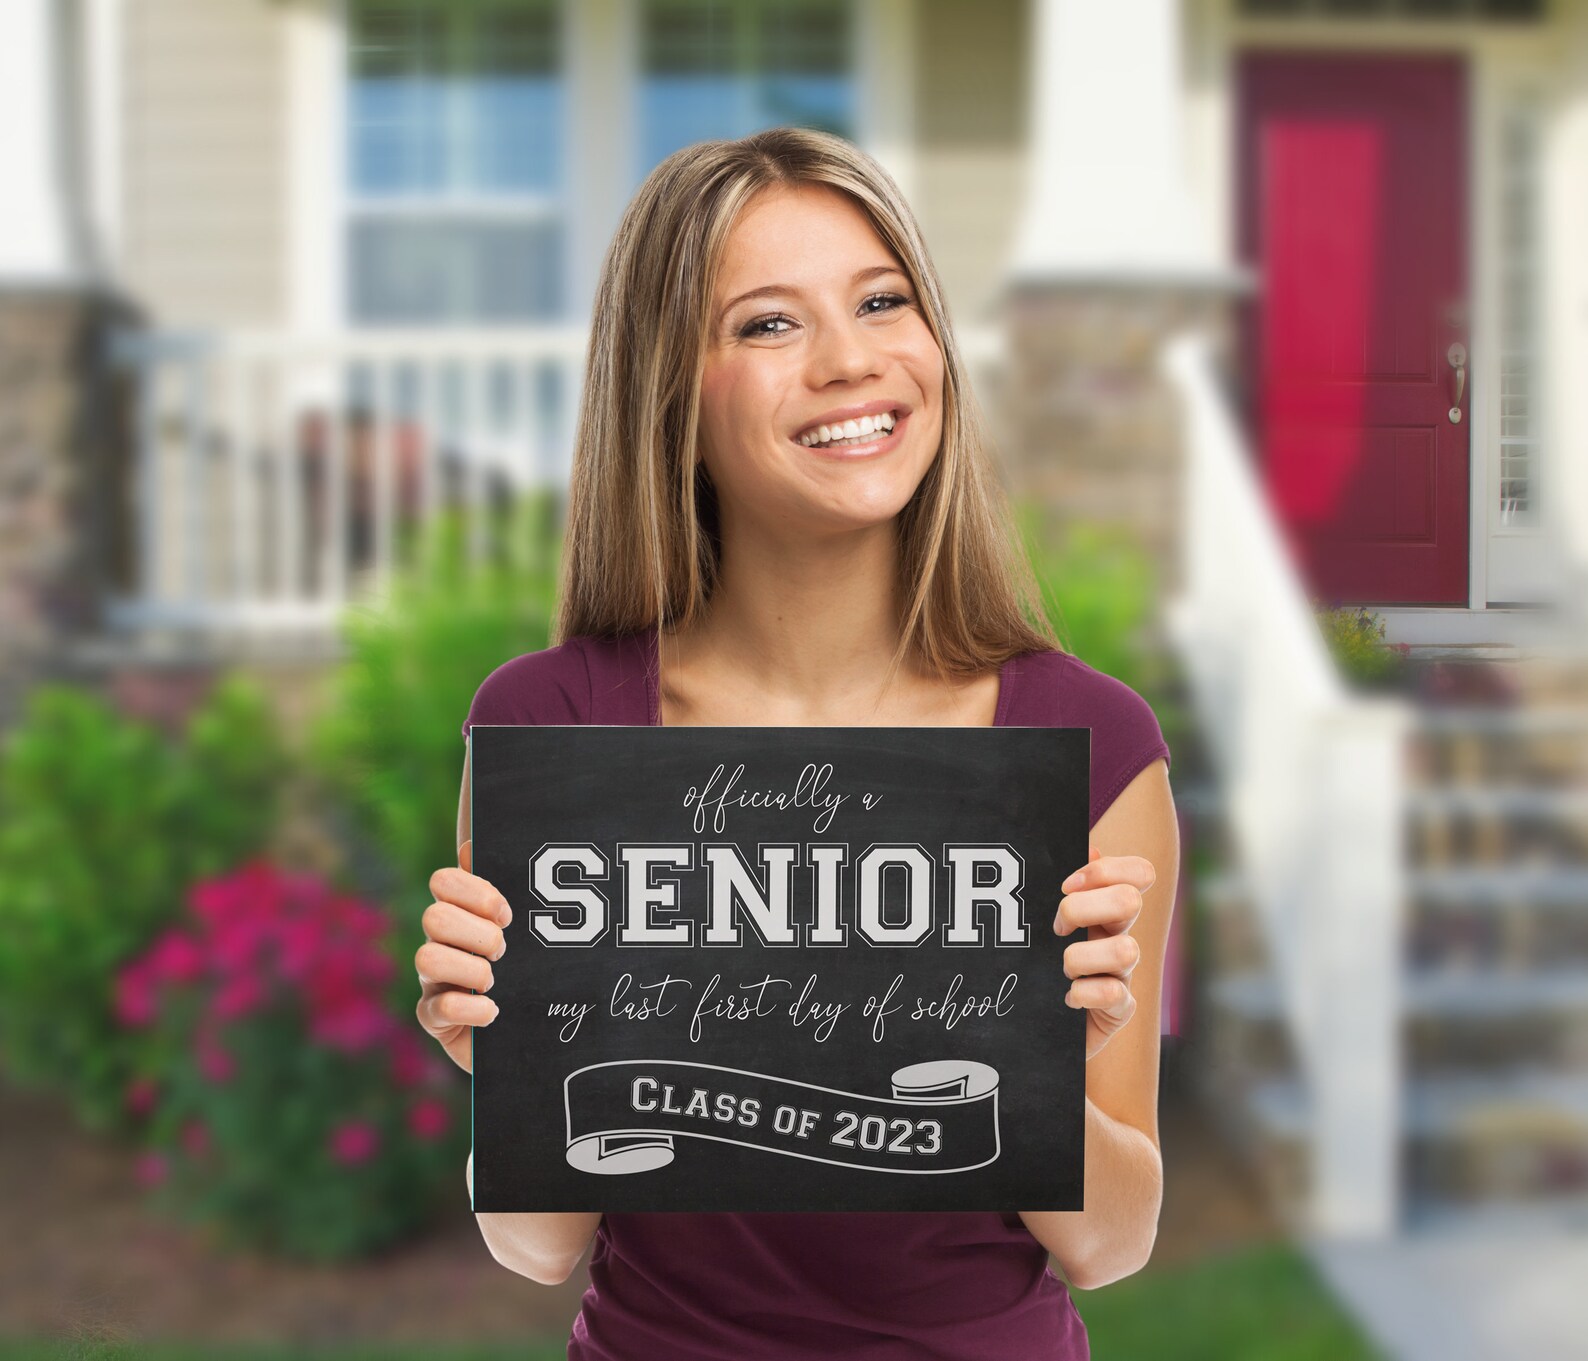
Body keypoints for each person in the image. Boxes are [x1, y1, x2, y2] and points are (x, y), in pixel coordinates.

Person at [415, 126, 1178, 1359]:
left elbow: (1113, 1240)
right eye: (768, 324)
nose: (850, 360)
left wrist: (1027, 1056)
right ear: (670, 386)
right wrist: (500, 1063)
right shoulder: (548, 728)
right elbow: (540, 1244)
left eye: (883, 301)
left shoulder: (1089, 739)